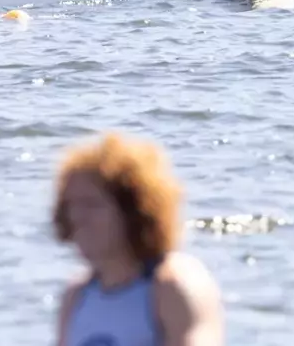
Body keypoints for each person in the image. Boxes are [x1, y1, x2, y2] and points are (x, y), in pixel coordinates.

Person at [53, 132, 224, 346]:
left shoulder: (173, 287)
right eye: (71, 205)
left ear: (134, 211)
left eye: (91, 204)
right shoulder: (76, 296)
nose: (77, 217)